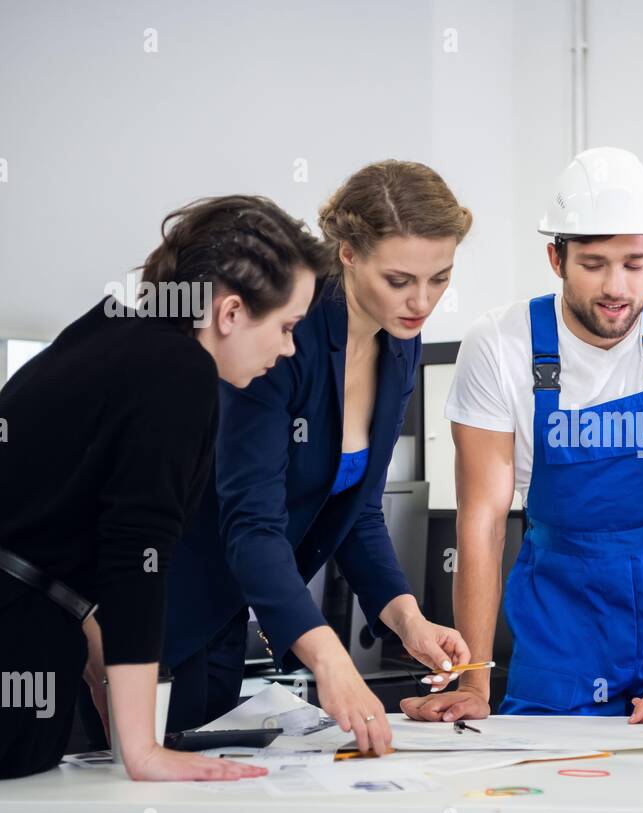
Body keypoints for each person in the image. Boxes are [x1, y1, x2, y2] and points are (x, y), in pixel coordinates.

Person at [0, 195, 329, 789]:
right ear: (230, 312)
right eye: (286, 327)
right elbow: (137, 558)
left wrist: (101, 659)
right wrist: (143, 749)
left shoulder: (112, 333)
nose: (288, 350)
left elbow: (50, 524)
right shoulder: (178, 372)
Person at [405, 147, 643, 724]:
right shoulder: (501, 343)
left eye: (635, 262)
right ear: (556, 258)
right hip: (563, 622)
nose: (616, 286)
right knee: (549, 792)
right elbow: (483, 521)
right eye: (594, 264)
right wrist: (471, 682)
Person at [160, 161, 473, 756]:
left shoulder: (398, 344)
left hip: (234, 608)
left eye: (440, 278)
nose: (421, 301)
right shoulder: (285, 336)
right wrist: (329, 659)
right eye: (400, 278)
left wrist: (409, 621)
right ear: (349, 253)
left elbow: (357, 511)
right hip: (172, 602)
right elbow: (251, 523)